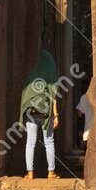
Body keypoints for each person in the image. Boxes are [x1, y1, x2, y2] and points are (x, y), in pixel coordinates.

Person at [19, 51, 59, 180]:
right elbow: (53, 97)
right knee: (49, 141)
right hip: (46, 114)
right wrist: (56, 115)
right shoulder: (50, 76)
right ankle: (51, 172)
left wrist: (24, 112)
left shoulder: (32, 76)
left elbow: (25, 95)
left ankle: (30, 173)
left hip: (31, 112)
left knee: (30, 142)